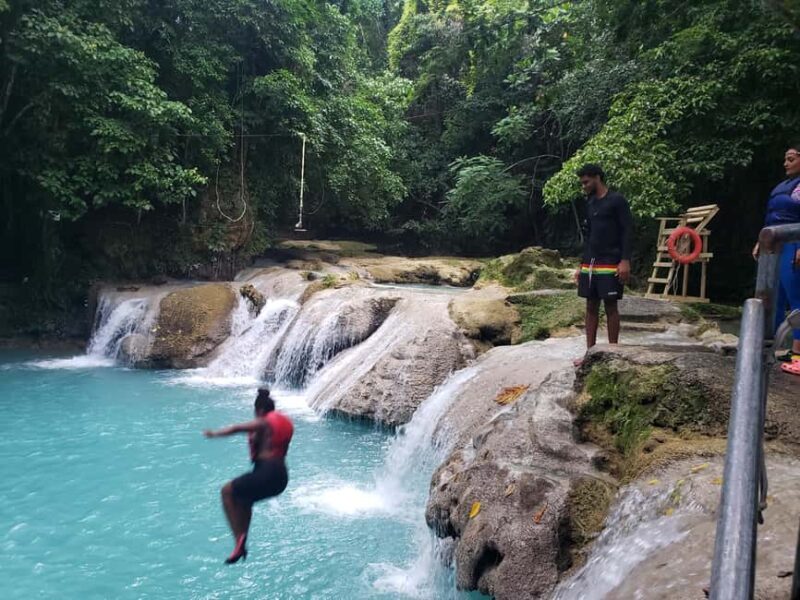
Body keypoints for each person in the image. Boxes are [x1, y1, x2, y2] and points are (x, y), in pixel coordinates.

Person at [204, 387, 294, 563]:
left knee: (227, 491)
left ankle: (239, 538)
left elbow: (237, 428)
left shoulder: (263, 422)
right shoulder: (285, 421)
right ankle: (241, 541)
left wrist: (214, 434)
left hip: (267, 472)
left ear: (259, 410)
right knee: (246, 499)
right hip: (281, 477)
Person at [573, 163, 633, 364]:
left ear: (597, 177)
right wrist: (581, 265)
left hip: (611, 260)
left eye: (586, 182)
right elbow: (589, 235)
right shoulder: (590, 203)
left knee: (610, 305)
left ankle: (613, 352)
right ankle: (589, 353)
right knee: (590, 305)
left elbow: (627, 231)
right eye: (582, 183)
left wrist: (625, 260)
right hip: (591, 261)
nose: (584, 186)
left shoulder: (616, 201)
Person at [752, 143, 800, 375]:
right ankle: (770, 348)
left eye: (791, 159)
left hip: (794, 243)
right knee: (774, 296)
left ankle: (798, 353)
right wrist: (761, 241)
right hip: (775, 243)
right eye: (785, 159)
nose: (785, 163)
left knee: (796, 295)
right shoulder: (784, 186)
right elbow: (772, 217)